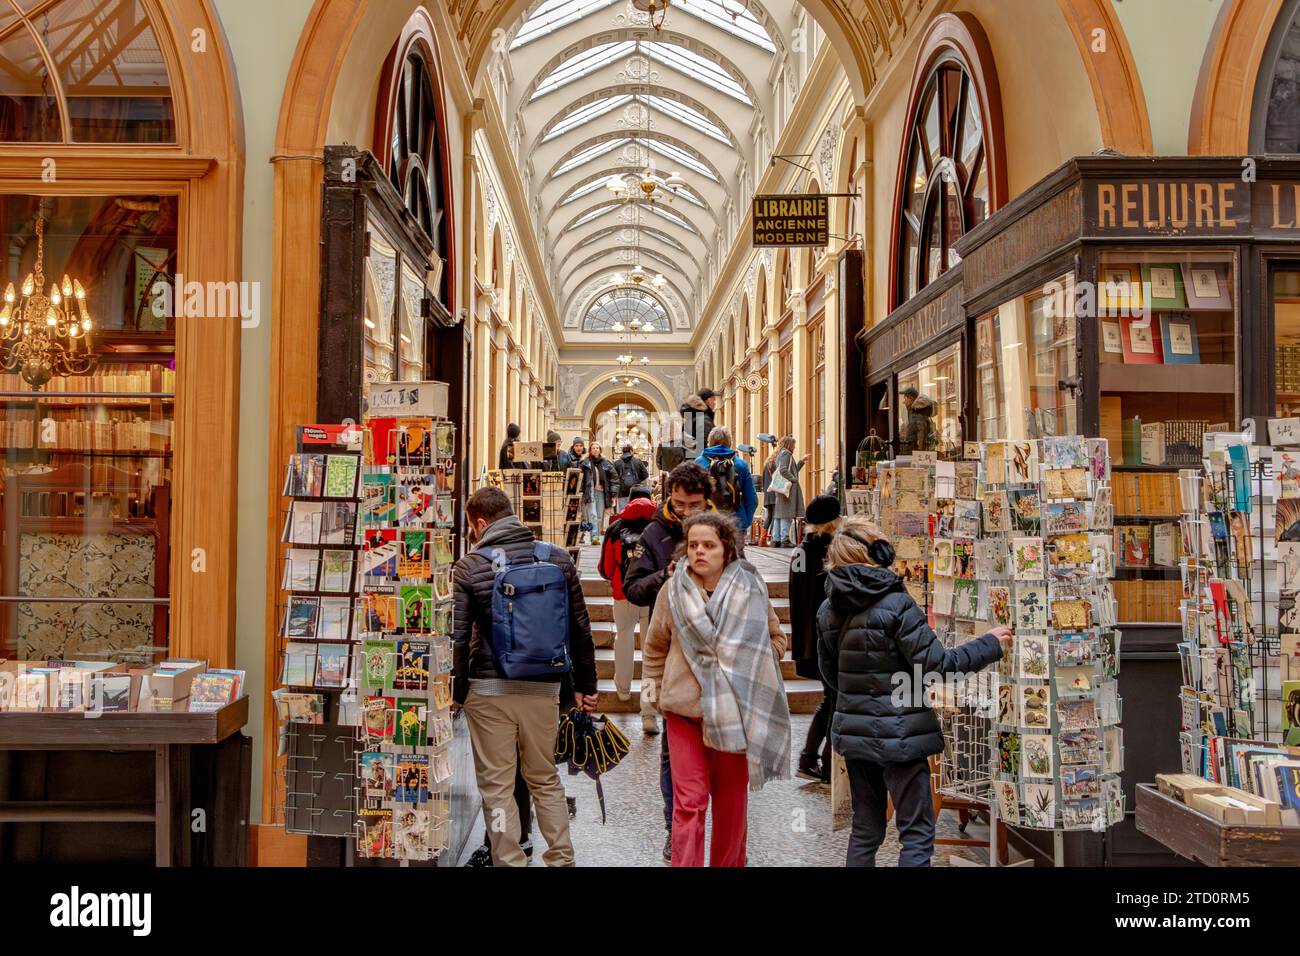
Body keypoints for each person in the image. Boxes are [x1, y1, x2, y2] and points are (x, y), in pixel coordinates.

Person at [816, 515, 1012, 867]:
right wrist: (989, 645)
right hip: (902, 736)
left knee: (866, 828)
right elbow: (940, 667)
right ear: (879, 554)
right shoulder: (897, 606)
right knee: (917, 834)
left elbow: (832, 676)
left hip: (855, 737)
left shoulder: (828, 610)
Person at [451, 487, 599, 867]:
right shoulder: (558, 559)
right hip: (543, 687)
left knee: (497, 789)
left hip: (487, 692)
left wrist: (457, 691)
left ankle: (508, 859)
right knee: (545, 779)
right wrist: (586, 687)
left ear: (481, 523)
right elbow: (580, 629)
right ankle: (562, 859)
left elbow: (459, 634)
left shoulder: (470, 565)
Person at [642, 512, 791, 867]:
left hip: (735, 711)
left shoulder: (750, 589)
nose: (699, 552)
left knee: (730, 805)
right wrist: (653, 699)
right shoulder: (671, 591)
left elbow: (777, 637)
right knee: (689, 802)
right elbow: (654, 648)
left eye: (708, 545)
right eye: (693, 545)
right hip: (683, 712)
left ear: (726, 549)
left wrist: (749, 662)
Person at [623, 461, 714, 862]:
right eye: (679, 504)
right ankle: (674, 829)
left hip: (718, 663)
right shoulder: (655, 532)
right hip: (675, 659)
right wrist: (666, 576)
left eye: (695, 504)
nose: (687, 513)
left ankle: (715, 829)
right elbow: (633, 588)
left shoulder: (721, 530)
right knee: (672, 755)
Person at [788, 494, 841, 782]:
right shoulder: (826, 553)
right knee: (836, 700)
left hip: (808, 640)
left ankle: (810, 759)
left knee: (831, 699)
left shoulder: (801, 550)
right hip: (825, 642)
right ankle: (827, 766)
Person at [599, 486, 657, 730]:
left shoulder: (616, 527)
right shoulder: (658, 527)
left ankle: (622, 690)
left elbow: (604, 567)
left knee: (623, 637)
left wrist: (617, 579)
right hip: (652, 594)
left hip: (624, 593)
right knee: (652, 653)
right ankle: (649, 712)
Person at [695, 426, 758, 535]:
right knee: (735, 552)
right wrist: (744, 521)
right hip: (735, 522)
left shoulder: (698, 463)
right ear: (729, 443)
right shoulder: (741, 465)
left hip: (706, 521)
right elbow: (752, 499)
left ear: (709, 443)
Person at [770, 435, 810, 547]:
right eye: (794, 444)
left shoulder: (780, 454)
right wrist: (794, 479)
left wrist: (802, 461)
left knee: (779, 515)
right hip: (787, 489)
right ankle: (784, 540)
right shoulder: (786, 454)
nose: (795, 447)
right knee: (786, 514)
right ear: (789, 445)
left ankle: (776, 540)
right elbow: (783, 470)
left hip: (781, 488)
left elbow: (792, 469)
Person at [581, 441, 619, 544]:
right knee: (592, 514)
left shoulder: (606, 463)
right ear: (590, 450)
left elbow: (614, 479)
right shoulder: (585, 463)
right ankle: (594, 537)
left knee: (599, 516)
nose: (595, 449)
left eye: (597, 448)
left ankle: (596, 536)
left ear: (600, 450)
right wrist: (581, 492)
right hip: (590, 492)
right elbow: (581, 479)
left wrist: (613, 494)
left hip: (602, 492)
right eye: (593, 448)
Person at [898, 385, 937, 455]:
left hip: (915, 455)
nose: (903, 402)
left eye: (905, 398)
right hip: (914, 453)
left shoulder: (918, 414)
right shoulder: (916, 412)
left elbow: (921, 434)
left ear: (911, 398)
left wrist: (919, 453)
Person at [680, 387, 717, 454]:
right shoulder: (703, 420)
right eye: (713, 400)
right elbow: (704, 445)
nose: (714, 403)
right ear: (708, 401)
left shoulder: (691, 418)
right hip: (701, 461)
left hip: (690, 460)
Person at [613, 444, 649, 512]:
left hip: (622, 492)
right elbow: (645, 475)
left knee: (623, 511)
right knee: (635, 511)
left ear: (622, 451)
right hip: (635, 491)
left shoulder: (617, 463)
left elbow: (613, 477)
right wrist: (638, 480)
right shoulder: (638, 461)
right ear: (631, 451)